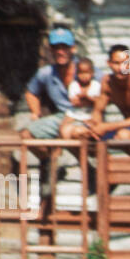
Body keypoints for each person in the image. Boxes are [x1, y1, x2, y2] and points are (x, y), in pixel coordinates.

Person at [20, 27, 81, 162]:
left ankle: (91, 170)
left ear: (73, 48)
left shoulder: (85, 69)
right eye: (56, 48)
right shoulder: (46, 72)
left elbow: (105, 90)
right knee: (26, 135)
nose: (60, 52)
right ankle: (51, 163)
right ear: (51, 50)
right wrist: (36, 113)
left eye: (64, 47)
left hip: (84, 116)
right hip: (62, 117)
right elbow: (31, 92)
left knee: (68, 132)